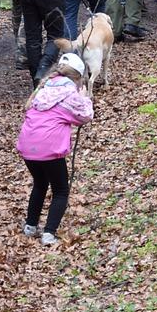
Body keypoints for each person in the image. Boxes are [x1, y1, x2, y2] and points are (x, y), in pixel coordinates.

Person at [16, 53, 93, 248]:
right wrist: (85, 98)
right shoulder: (69, 93)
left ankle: (30, 226)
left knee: (40, 183)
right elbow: (85, 116)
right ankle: (49, 233)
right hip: (49, 149)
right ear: (76, 78)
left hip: (28, 147)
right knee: (60, 190)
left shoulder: (45, 87)